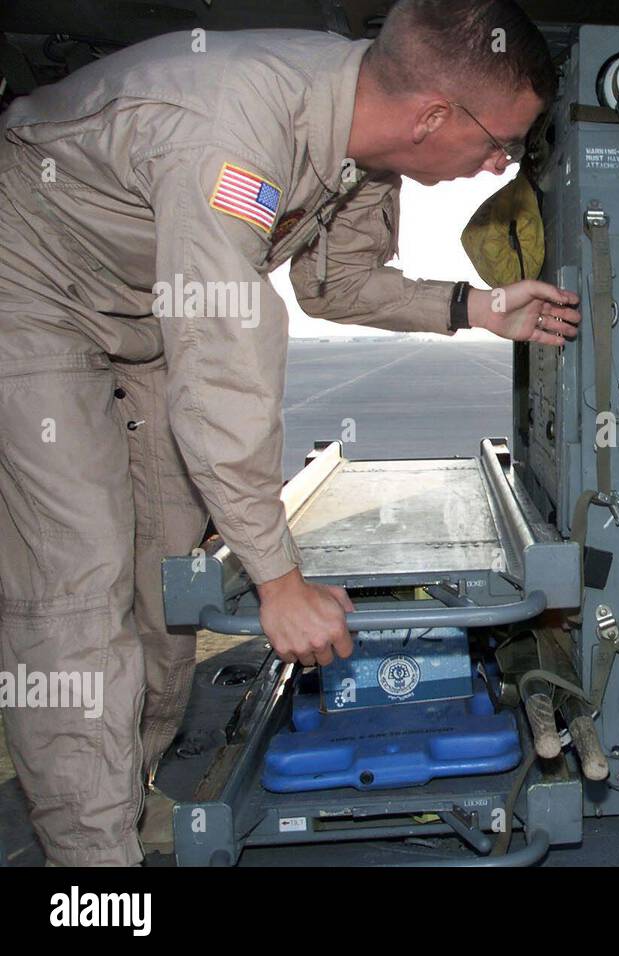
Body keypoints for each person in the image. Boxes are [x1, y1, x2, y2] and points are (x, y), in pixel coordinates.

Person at [0, 0, 580, 866]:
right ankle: (92, 866)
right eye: (501, 140)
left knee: (162, 573)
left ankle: (125, 796)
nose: (502, 163)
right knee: (78, 581)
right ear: (433, 116)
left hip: (147, 314)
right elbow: (224, 370)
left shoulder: (364, 141)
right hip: (35, 288)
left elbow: (332, 283)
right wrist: (278, 581)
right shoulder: (227, 135)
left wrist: (476, 306)